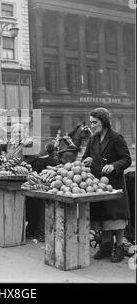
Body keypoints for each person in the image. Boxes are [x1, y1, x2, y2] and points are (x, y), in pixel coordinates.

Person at [82, 107, 131, 263]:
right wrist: (87, 160)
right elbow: (86, 156)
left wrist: (114, 166)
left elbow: (126, 159)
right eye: (91, 122)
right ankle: (105, 246)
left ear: (104, 121)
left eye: (95, 122)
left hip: (114, 184)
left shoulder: (116, 138)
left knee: (115, 217)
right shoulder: (93, 139)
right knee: (102, 216)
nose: (92, 125)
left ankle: (118, 248)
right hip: (97, 184)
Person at [27, 140, 79, 240]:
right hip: (48, 190)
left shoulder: (39, 161)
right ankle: (41, 232)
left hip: (40, 189)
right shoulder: (53, 162)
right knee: (42, 210)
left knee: (36, 209)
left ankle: (34, 230)